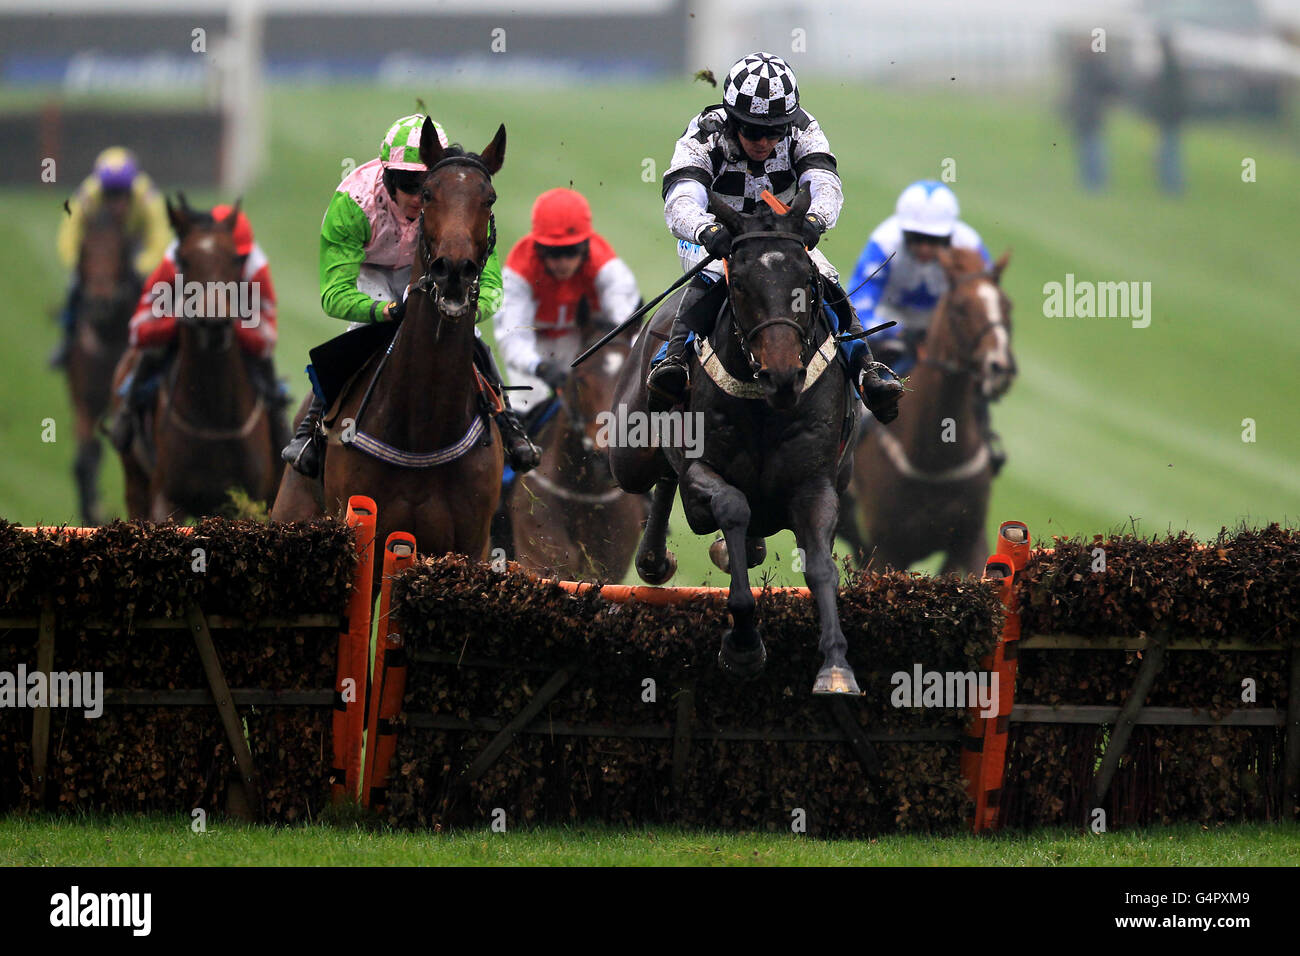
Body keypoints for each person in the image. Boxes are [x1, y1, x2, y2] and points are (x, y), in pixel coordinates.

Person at [647, 51, 902, 421]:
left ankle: (866, 370)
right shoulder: (705, 132)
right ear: (732, 120)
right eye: (751, 130)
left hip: (781, 237)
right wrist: (705, 229)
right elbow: (681, 196)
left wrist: (815, 220)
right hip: (717, 238)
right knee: (720, 274)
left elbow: (825, 183)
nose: (763, 141)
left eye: (773, 131)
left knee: (826, 277)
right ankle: (671, 361)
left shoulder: (803, 127)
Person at [281, 114, 539, 478]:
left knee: (473, 336)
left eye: (425, 184)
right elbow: (334, 294)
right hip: (370, 270)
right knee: (360, 332)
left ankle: (510, 426)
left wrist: (469, 310)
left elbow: (492, 286)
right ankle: (310, 429)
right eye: (407, 183)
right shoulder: (352, 204)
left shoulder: (453, 198)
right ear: (387, 177)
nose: (418, 197)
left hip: (424, 265)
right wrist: (387, 310)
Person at [847, 179, 1006, 472]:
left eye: (933, 241)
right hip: (891, 318)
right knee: (874, 365)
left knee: (971, 372)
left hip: (942, 322)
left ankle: (982, 432)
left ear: (949, 236)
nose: (924, 248)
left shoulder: (968, 245)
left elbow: (983, 301)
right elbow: (859, 300)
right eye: (916, 238)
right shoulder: (884, 241)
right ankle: (859, 425)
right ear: (903, 231)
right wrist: (895, 333)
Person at [108, 205, 289, 454]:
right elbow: (138, 331)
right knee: (151, 354)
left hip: (233, 334)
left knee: (264, 364)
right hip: (182, 331)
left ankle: (280, 425)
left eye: (233, 262)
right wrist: (180, 321)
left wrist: (231, 323)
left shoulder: (254, 266)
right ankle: (129, 408)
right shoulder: (175, 260)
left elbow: (267, 339)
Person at [495, 188, 640, 413]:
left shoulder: (608, 269)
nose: (562, 262)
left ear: (586, 245)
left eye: (571, 251)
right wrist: (539, 367)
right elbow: (512, 339)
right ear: (538, 247)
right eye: (552, 252)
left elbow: (627, 329)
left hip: (586, 345)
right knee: (527, 404)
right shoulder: (518, 271)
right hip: (535, 346)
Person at [50, 147, 171, 368]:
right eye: (110, 195)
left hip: (135, 249)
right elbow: (68, 233)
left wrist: (140, 267)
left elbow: (160, 239)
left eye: (121, 195)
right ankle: (67, 341)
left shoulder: (148, 198)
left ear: (131, 191)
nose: (116, 203)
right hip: (100, 249)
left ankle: (160, 342)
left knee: (156, 290)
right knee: (74, 288)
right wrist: (80, 266)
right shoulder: (87, 196)